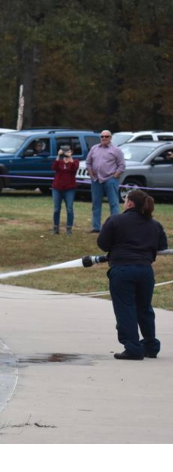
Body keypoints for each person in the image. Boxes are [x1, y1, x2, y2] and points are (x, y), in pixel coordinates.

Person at [97, 190, 168, 361]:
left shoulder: (115, 220)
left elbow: (103, 244)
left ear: (130, 203)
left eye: (125, 200)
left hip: (122, 270)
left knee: (125, 309)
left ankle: (133, 347)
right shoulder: (155, 225)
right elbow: (162, 246)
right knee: (145, 308)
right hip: (145, 270)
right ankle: (150, 346)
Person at [86, 130, 126, 234]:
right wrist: (91, 175)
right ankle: (96, 227)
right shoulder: (94, 148)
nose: (104, 138)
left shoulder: (116, 150)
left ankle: (115, 227)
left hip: (110, 180)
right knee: (96, 204)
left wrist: (115, 176)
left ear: (110, 137)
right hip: (96, 180)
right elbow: (88, 162)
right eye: (102, 136)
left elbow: (122, 165)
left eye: (106, 136)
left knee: (113, 204)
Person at [51, 146, 79, 235]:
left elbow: (74, 168)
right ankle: (56, 228)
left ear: (72, 152)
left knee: (69, 208)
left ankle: (69, 229)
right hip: (57, 188)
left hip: (69, 188)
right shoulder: (59, 161)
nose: (66, 153)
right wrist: (58, 156)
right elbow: (54, 167)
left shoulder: (75, 161)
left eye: (68, 151)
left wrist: (70, 157)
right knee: (56, 209)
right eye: (65, 151)